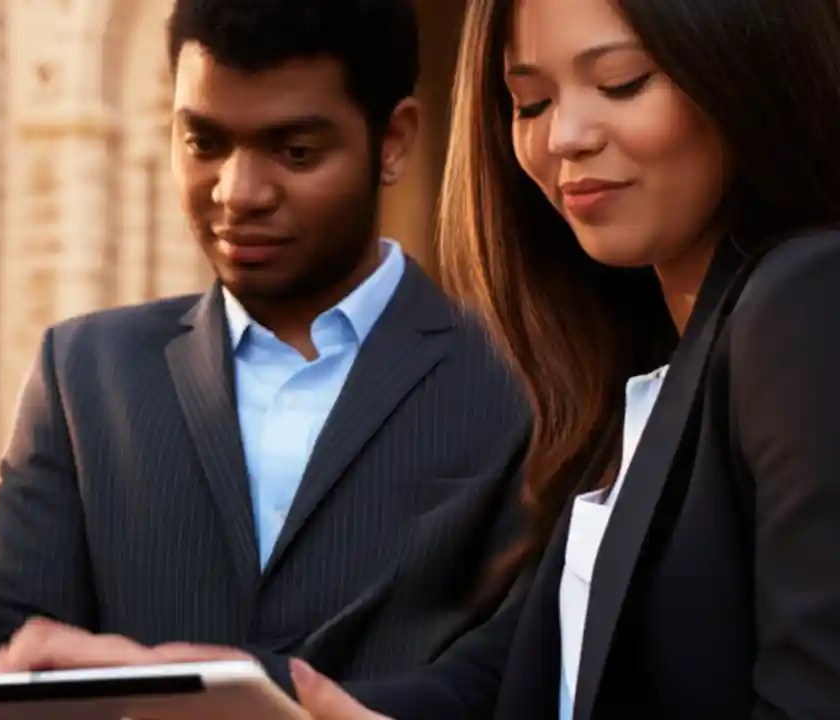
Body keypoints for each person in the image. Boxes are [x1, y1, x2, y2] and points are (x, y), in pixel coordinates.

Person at [0, 0, 530, 702]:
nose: (238, 194)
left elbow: (515, 677)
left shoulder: (519, 382)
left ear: (392, 142)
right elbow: (8, 646)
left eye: (295, 153)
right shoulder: (85, 375)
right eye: (203, 144)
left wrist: (195, 689)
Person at [285, 0, 840, 717]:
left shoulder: (804, 298)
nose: (563, 138)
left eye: (622, 82)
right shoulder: (638, 382)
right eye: (531, 102)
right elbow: (506, 677)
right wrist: (232, 689)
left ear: (745, 68)